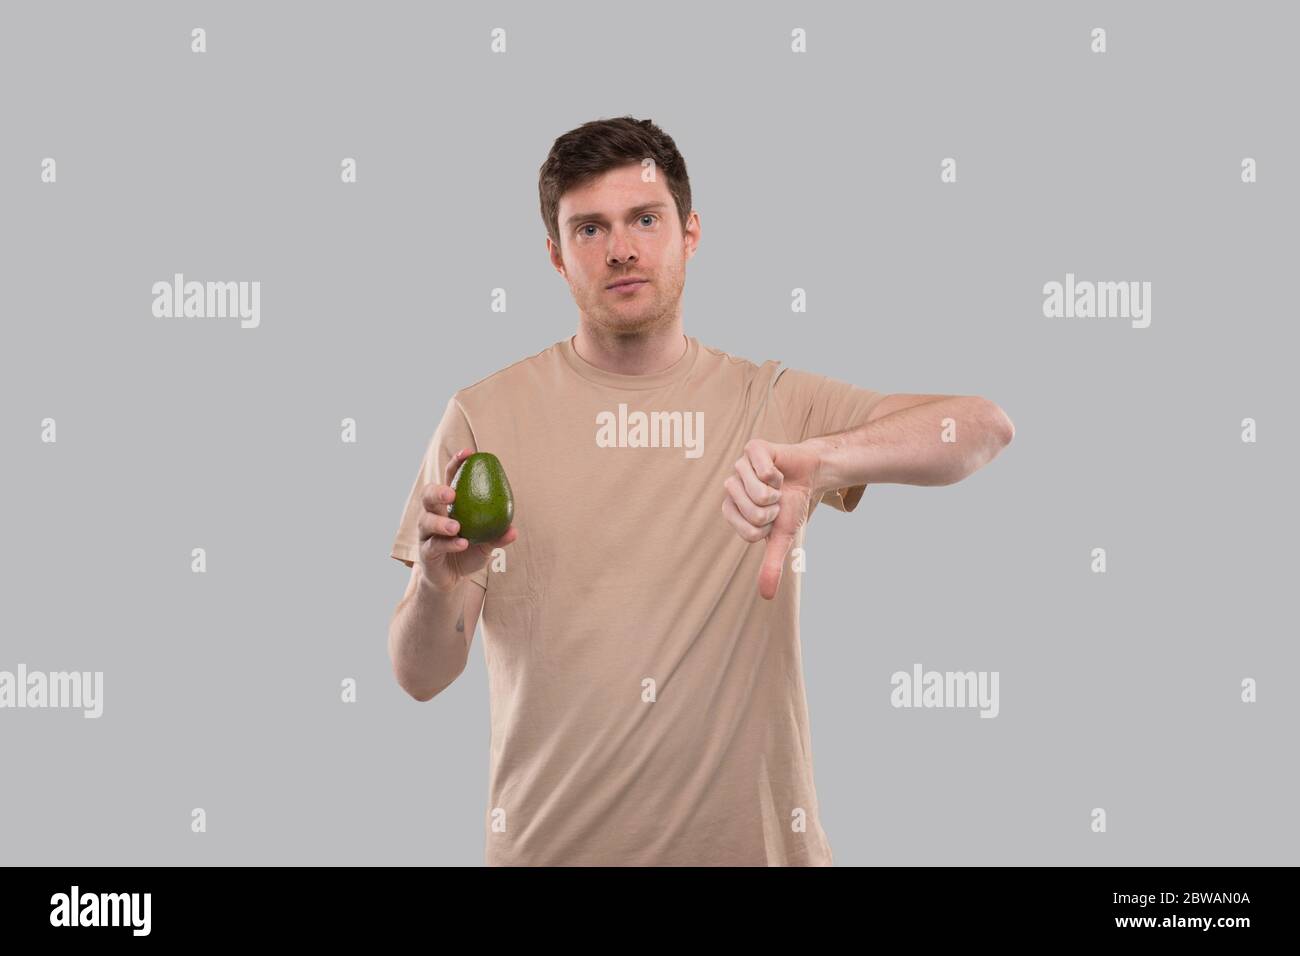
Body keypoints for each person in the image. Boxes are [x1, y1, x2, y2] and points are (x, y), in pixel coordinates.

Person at [388, 116, 1014, 866]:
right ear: (556, 257)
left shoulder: (771, 402)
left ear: (689, 233)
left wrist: (822, 461)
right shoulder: (482, 417)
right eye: (590, 229)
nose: (620, 248)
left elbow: (981, 427)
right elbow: (421, 678)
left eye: (644, 220)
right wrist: (435, 582)